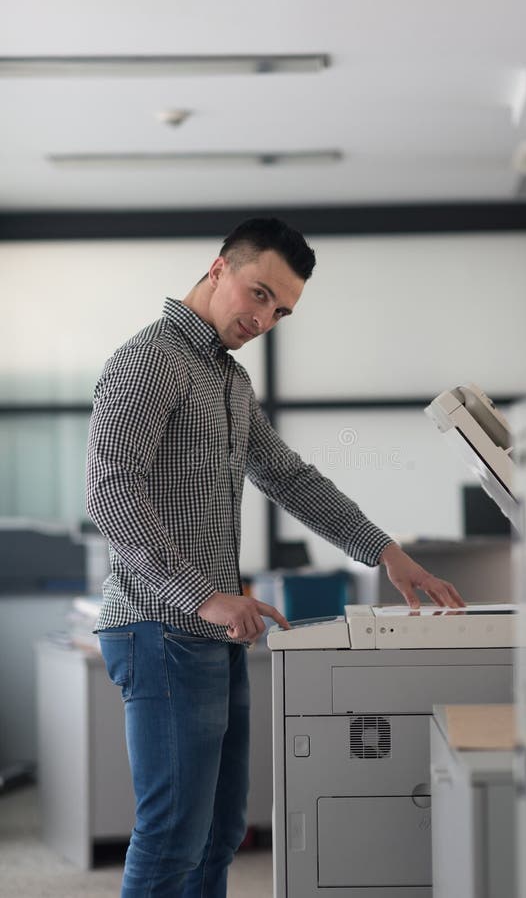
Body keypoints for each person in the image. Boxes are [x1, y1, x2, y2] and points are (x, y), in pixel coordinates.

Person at [86, 217, 464, 898]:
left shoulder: (228, 380)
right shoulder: (150, 360)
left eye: (281, 311)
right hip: (161, 627)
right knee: (173, 834)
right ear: (218, 269)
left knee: (219, 833)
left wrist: (386, 552)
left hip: (213, 632)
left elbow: (288, 477)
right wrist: (204, 596)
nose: (264, 319)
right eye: (259, 294)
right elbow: (110, 492)